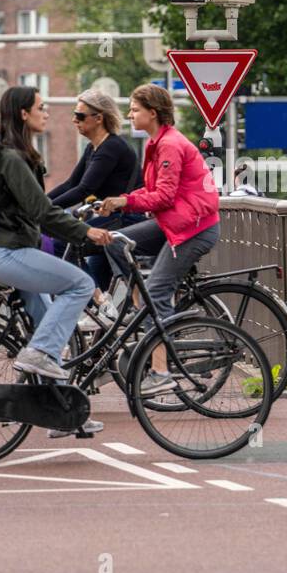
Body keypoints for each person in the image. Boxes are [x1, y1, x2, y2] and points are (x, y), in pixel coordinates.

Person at [0, 86, 113, 429]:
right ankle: (37, 357)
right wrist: (86, 232)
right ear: (23, 113)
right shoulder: (12, 158)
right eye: (40, 106)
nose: (47, 111)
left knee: (47, 323)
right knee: (80, 283)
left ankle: (62, 414)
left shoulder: (5, 153)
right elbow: (42, 211)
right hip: (6, 253)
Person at [100, 84, 221, 393]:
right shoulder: (156, 143)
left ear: (152, 113)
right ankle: (147, 310)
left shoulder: (169, 145)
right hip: (174, 224)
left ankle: (160, 372)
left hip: (194, 229)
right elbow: (154, 191)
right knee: (114, 240)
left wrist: (126, 202)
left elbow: (164, 196)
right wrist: (122, 198)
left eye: (135, 109)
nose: (129, 114)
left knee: (157, 292)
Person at [47, 89, 141, 289]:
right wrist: (41, 201)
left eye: (79, 116)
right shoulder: (94, 147)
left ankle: (96, 298)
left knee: (62, 243)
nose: (75, 120)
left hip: (124, 218)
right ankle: (105, 308)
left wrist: (44, 209)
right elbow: (71, 183)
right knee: (98, 278)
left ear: (98, 118)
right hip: (108, 219)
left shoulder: (111, 147)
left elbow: (83, 189)